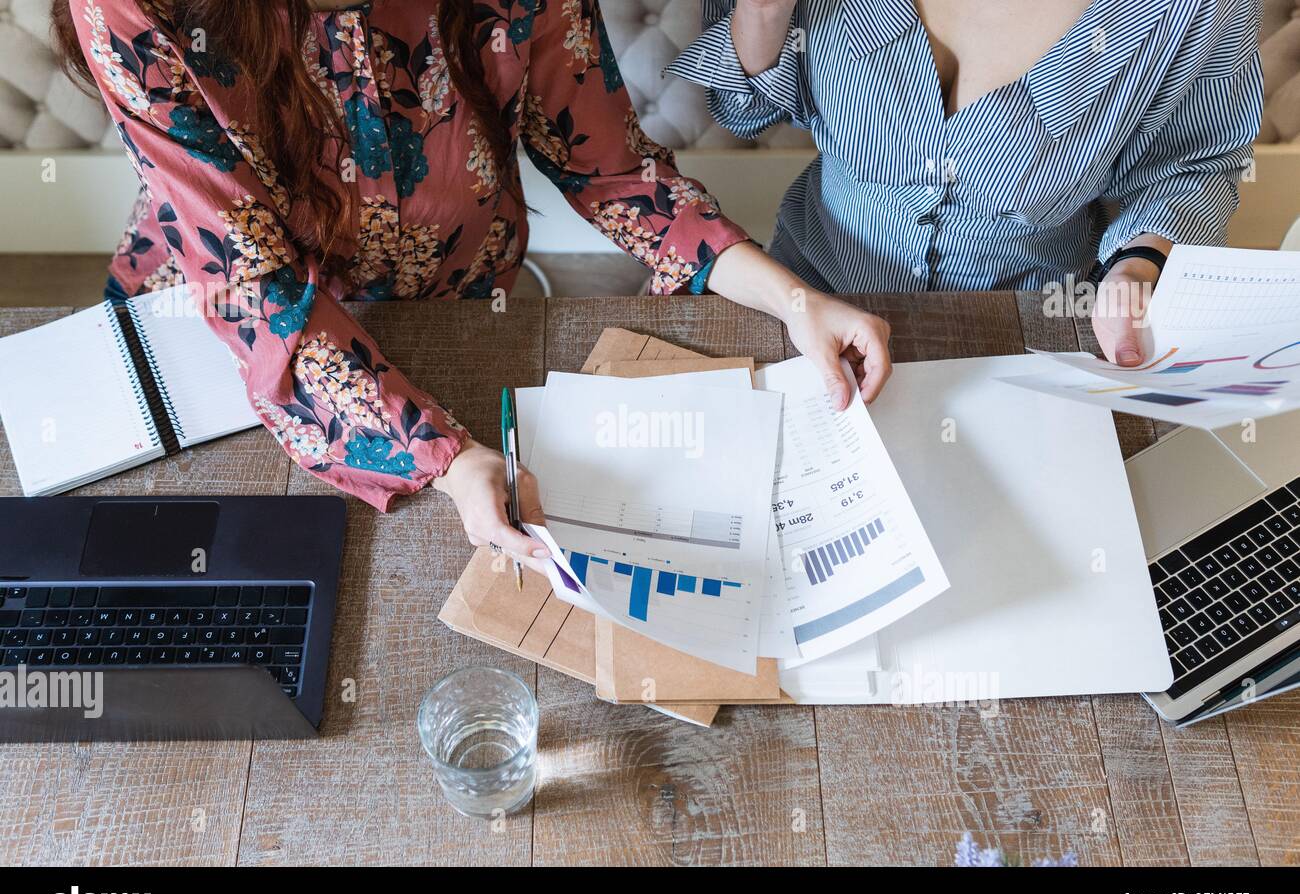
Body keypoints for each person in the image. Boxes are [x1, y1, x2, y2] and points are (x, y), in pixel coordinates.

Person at [53, 0, 892, 575]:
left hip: (453, 317)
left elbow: (615, 173)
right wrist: (443, 458)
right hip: (213, 343)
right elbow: (255, 288)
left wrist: (795, 301)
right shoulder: (133, 8)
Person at [667, 0, 1263, 365]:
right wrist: (764, 12)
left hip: (1031, 326)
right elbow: (743, 108)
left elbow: (1196, 163)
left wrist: (1136, 266)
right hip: (809, 294)